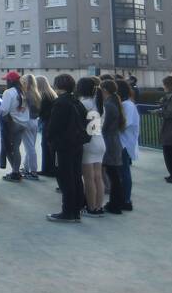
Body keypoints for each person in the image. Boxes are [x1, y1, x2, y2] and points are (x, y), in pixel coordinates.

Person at [45, 74, 88, 223]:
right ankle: (76, 210)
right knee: (76, 177)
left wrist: (50, 141)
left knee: (65, 178)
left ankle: (67, 211)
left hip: (63, 146)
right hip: (77, 144)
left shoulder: (60, 103)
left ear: (57, 86)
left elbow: (53, 127)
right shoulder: (76, 101)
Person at [76, 77, 106, 216]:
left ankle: (91, 207)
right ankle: (98, 206)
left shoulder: (83, 103)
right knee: (98, 177)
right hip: (100, 140)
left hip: (89, 142)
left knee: (88, 178)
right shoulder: (99, 104)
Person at [99, 79, 128, 214]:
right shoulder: (114, 103)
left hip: (109, 142)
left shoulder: (108, 105)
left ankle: (115, 204)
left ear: (104, 90)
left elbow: (103, 126)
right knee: (115, 175)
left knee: (113, 175)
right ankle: (118, 202)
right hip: (113, 141)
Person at [0, 71, 28, 181]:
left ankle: (15, 173)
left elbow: (4, 110)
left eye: (7, 80)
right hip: (23, 123)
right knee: (16, 148)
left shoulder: (8, 92)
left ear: (10, 81)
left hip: (11, 124)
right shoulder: (23, 92)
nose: (6, 82)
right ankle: (15, 172)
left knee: (7, 148)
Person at [117, 78, 140, 211]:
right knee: (121, 172)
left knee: (124, 172)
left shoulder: (128, 105)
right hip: (122, 142)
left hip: (124, 143)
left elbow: (125, 124)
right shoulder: (125, 104)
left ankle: (126, 199)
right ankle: (123, 198)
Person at [36, 75, 58, 177]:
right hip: (52, 121)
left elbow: (40, 112)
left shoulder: (43, 96)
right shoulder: (52, 94)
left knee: (45, 145)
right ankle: (52, 168)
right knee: (49, 147)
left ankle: (47, 169)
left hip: (47, 122)